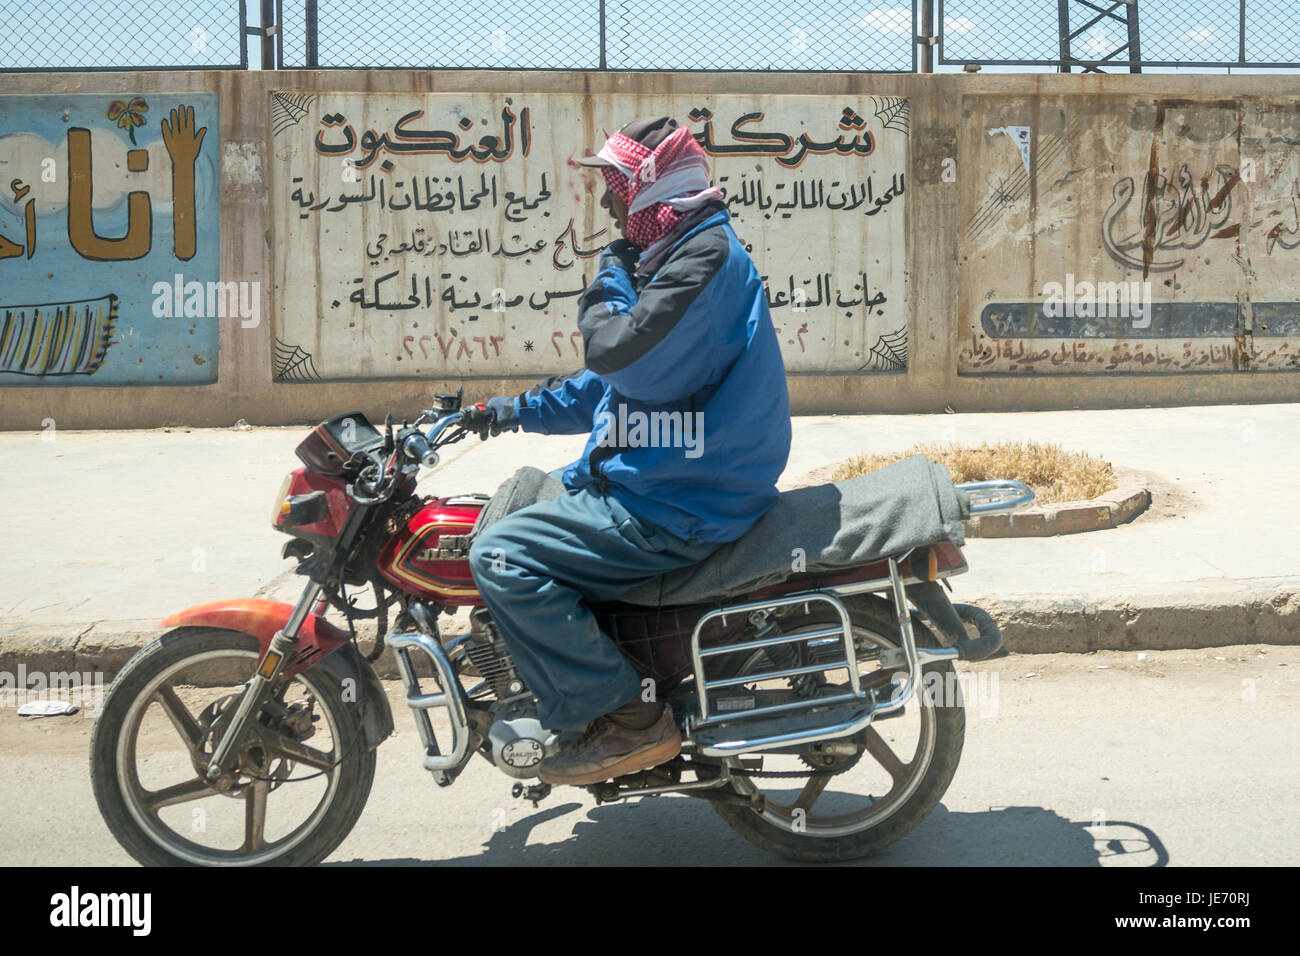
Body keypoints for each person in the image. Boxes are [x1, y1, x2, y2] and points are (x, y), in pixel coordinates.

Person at [464, 115, 791, 786]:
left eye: (615, 187)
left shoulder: (701, 261)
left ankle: (629, 721)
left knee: (500, 555)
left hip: (681, 498)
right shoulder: (683, 253)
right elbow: (615, 385)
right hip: (669, 475)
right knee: (506, 511)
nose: (608, 203)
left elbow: (618, 355)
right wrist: (510, 411)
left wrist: (610, 273)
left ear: (647, 191)